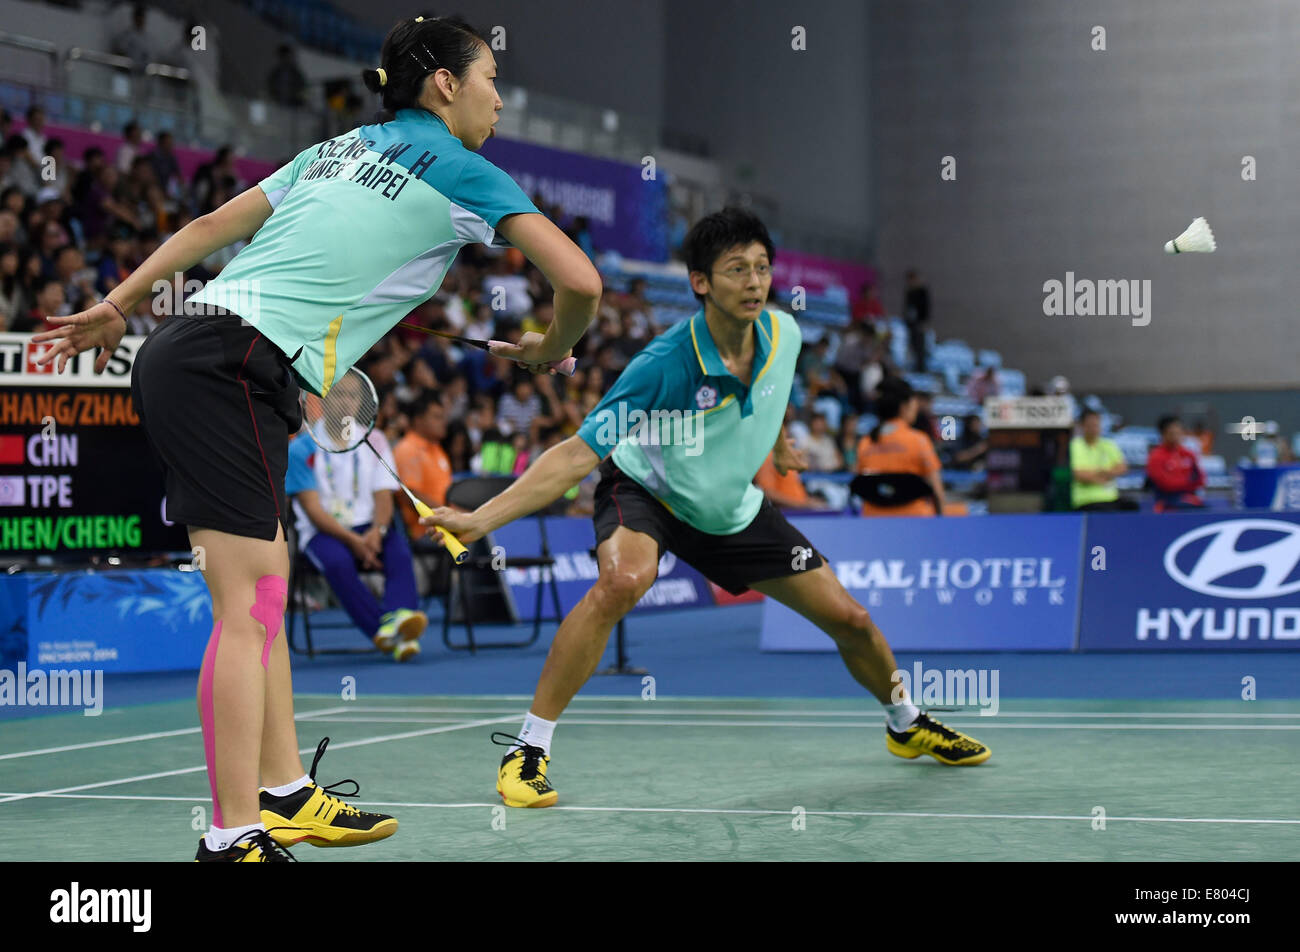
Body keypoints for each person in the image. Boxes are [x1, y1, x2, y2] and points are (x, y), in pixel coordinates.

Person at [33, 14, 600, 861]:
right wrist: (550, 351)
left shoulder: (337, 148)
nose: (498, 99)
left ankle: (286, 791)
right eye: (489, 78)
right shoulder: (464, 168)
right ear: (445, 83)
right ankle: (228, 837)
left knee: (266, 590)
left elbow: (203, 233)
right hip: (232, 362)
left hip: (207, 350)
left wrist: (121, 302)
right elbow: (580, 281)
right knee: (250, 609)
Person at [424, 208, 990, 810]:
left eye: (762, 268)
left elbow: (770, 391)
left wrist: (779, 441)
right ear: (700, 282)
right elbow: (574, 457)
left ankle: (906, 723)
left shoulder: (785, 335)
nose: (754, 282)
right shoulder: (663, 367)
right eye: (736, 270)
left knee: (850, 619)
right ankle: (528, 752)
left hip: (730, 509)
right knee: (622, 581)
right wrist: (480, 520)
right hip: (651, 493)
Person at [285, 409, 427, 661]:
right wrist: (354, 542)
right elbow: (312, 509)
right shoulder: (301, 448)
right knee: (338, 562)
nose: (346, 402)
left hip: (369, 526)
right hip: (322, 532)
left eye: (352, 395)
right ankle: (389, 632)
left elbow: (384, 496)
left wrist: (377, 531)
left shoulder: (376, 439)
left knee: (399, 553)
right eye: (339, 396)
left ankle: (397, 621)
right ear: (325, 401)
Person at [854, 377, 947, 517]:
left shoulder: (865, 443)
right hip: (915, 525)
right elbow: (938, 494)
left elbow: (862, 486)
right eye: (914, 402)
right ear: (904, 406)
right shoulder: (919, 441)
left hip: (873, 525)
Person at [393, 391, 454, 539]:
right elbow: (410, 495)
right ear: (419, 420)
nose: (443, 422)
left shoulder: (437, 448)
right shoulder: (407, 449)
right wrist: (450, 517)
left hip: (446, 523)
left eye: (443, 417)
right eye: (437, 417)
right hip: (425, 532)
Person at [1070, 409, 1135, 511]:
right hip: (1086, 500)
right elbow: (1078, 474)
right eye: (1090, 425)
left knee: (1132, 506)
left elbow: (1123, 467)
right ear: (1082, 426)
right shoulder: (1075, 446)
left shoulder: (1108, 444)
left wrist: (1101, 473)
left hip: (1111, 498)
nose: (1094, 428)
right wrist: (1104, 475)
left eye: (1096, 425)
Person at [1147, 415, 1205, 511]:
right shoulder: (1156, 456)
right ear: (1163, 434)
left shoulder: (1188, 454)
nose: (1176, 436)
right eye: (1172, 433)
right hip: (1166, 500)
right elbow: (1165, 484)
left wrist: (1186, 485)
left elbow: (1200, 479)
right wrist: (1187, 482)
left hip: (1188, 498)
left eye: (1179, 432)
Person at [902, 268, 930, 371]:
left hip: (919, 322)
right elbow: (907, 308)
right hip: (910, 322)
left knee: (920, 346)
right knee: (912, 345)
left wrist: (923, 322)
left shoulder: (922, 291)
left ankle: (921, 368)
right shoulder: (909, 291)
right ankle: (913, 367)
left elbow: (926, 308)